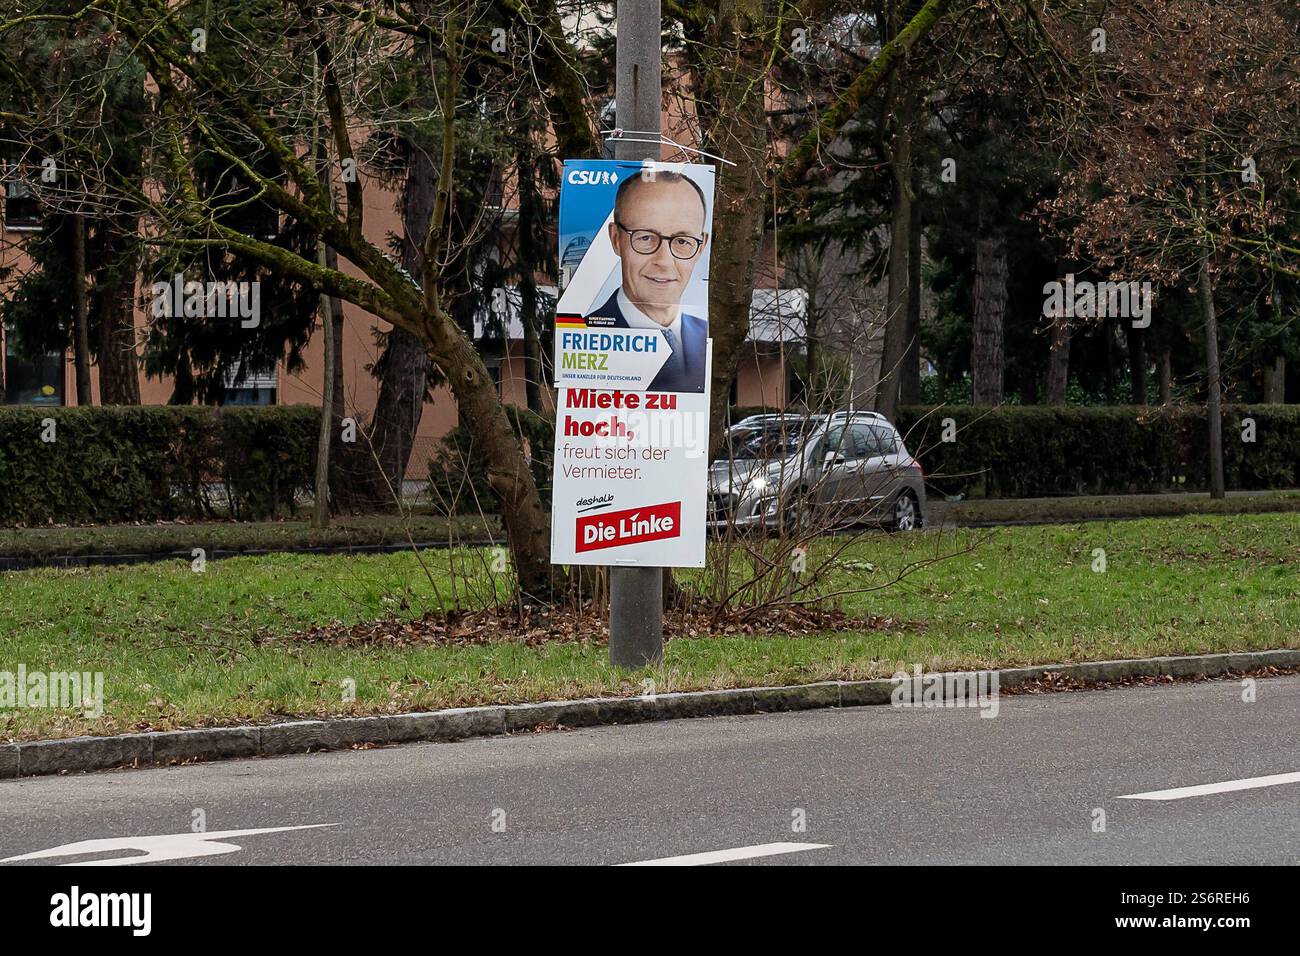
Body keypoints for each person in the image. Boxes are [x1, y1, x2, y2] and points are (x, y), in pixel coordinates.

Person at [584, 171, 709, 392]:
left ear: (700, 246)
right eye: (645, 237)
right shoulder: (583, 336)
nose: (663, 261)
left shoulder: (707, 336)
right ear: (616, 239)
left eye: (682, 241)